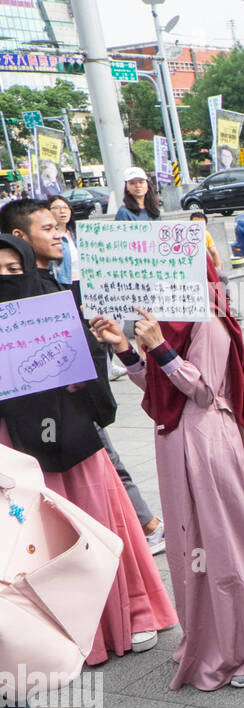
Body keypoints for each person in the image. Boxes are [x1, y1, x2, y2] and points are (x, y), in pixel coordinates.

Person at [90, 265, 244, 691]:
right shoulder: (167, 317)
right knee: (192, 548)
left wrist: (160, 349)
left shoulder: (209, 315)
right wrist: (128, 349)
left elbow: (202, 391)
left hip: (210, 441)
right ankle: (210, 642)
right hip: (173, 443)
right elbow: (156, 388)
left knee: (231, 545)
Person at [0, 229, 177, 663]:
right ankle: (66, 637)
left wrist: (80, 362)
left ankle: (131, 617)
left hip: (76, 443)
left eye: (13, 269)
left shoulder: (55, 309)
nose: (6, 278)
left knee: (97, 531)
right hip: (15, 452)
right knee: (38, 546)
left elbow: (96, 391)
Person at [34, 195, 166, 552]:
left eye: (58, 222)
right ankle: (142, 527)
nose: (57, 231)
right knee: (104, 462)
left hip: (80, 398)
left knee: (106, 462)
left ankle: (139, 526)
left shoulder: (52, 279)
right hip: (59, 408)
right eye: (47, 227)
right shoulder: (32, 291)